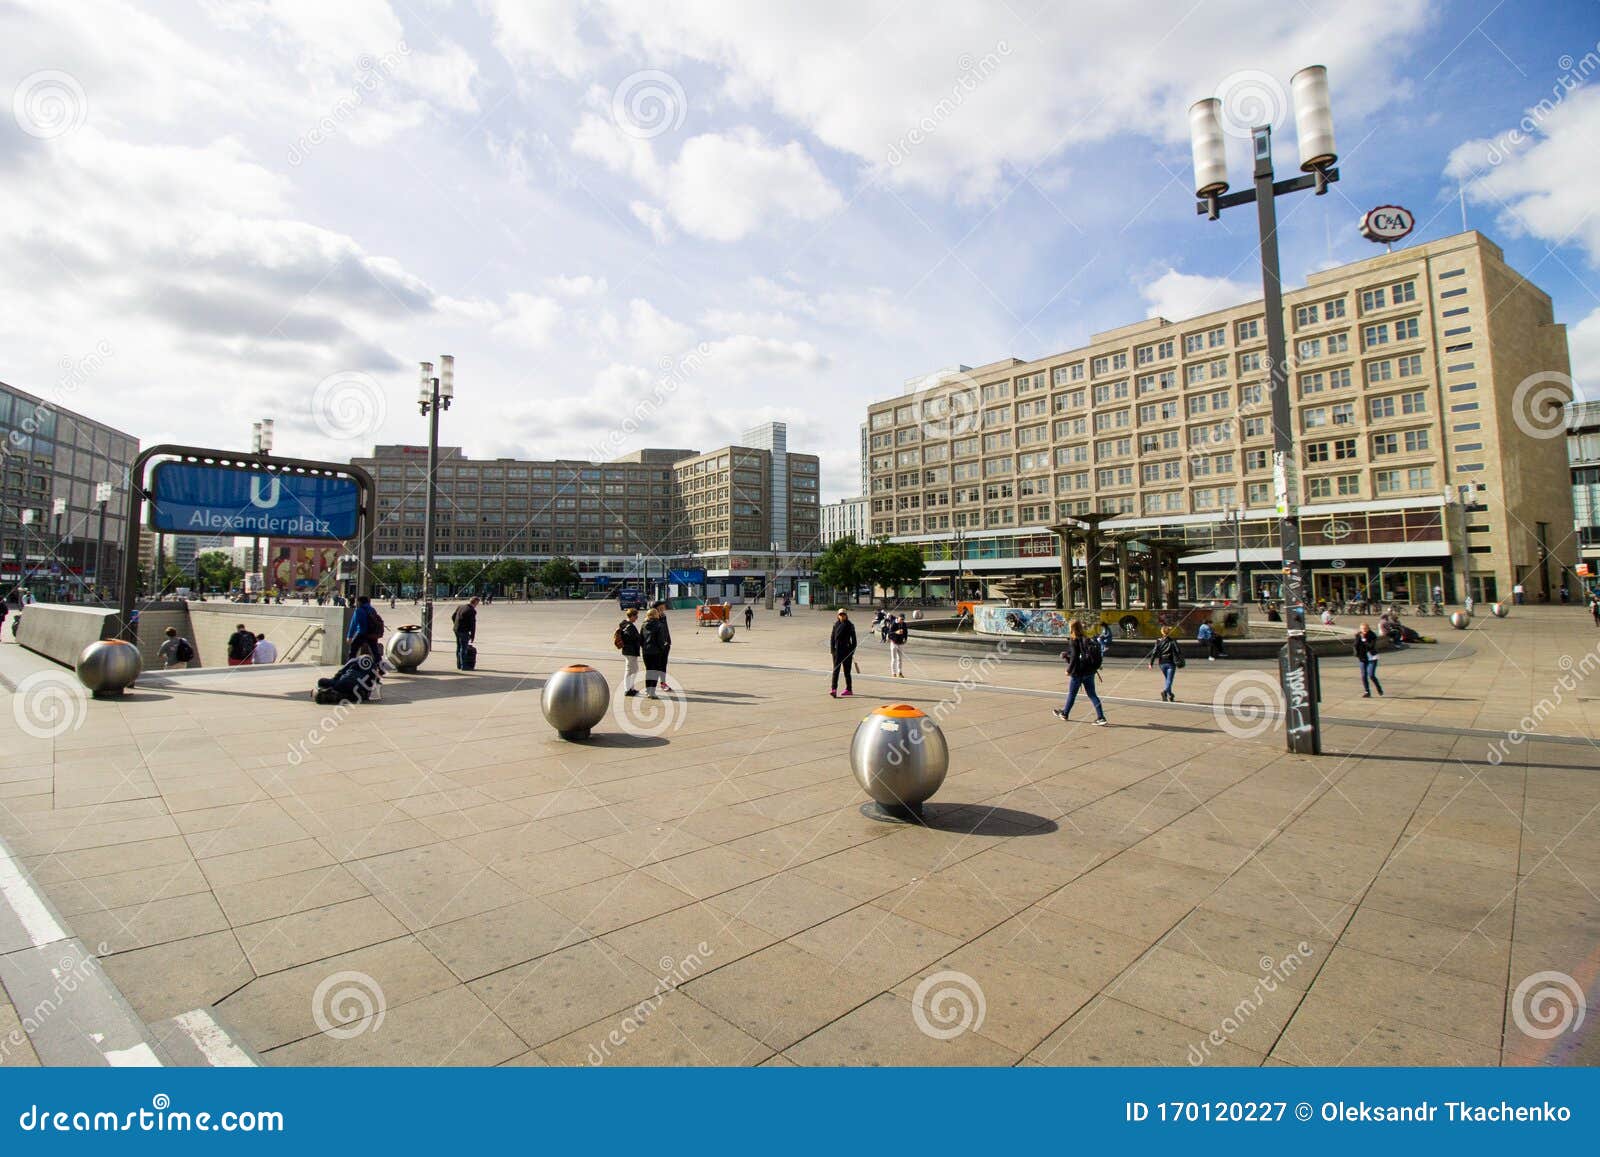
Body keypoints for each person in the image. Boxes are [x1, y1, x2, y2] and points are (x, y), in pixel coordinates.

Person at [1053, 619, 1107, 726]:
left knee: (1072, 694)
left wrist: (1068, 670)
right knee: (1092, 695)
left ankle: (1065, 714)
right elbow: (1082, 654)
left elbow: (1074, 658)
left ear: (1072, 628)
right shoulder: (1086, 638)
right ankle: (1101, 717)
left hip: (1078, 672)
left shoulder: (1074, 640)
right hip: (1089, 671)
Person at [641, 606, 670, 698]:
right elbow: (660, 640)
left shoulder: (644, 625)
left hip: (646, 652)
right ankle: (652, 692)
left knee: (648, 671)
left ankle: (647, 689)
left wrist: (644, 647)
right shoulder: (659, 625)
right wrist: (663, 647)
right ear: (656, 615)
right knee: (655, 671)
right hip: (656, 652)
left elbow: (640, 639)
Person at [1147, 625, 1182, 702]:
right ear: (1169, 632)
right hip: (1171, 662)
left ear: (1162, 632)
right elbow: (1178, 651)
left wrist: (1151, 663)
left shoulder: (1158, 641)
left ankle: (1170, 694)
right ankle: (1165, 692)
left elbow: (1154, 652)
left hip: (1162, 663)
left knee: (1167, 680)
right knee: (1169, 680)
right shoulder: (1173, 641)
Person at [347, 595, 385, 663]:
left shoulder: (358, 610)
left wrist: (349, 636)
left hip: (361, 633)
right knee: (375, 651)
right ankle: (380, 666)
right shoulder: (372, 609)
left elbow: (353, 624)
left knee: (353, 649)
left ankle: (350, 665)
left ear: (359, 602)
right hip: (372, 633)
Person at [829, 609, 857, 697]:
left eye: (843, 615)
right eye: (840, 615)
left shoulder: (850, 625)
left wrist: (851, 651)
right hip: (837, 652)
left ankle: (849, 689)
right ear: (838, 615)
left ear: (846, 615)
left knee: (847, 672)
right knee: (835, 670)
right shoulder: (836, 624)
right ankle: (834, 689)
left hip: (846, 651)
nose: (842, 616)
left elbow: (854, 641)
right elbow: (832, 638)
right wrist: (832, 650)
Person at [616, 606, 642, 696]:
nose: (637, 618)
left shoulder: (624, 624)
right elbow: (632, 638)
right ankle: (628, 689)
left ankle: (631, 688)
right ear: (631, 616)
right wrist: (639, 638)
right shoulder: (629, 626)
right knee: (630, 670)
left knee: (633, 670)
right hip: (630, 651)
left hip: (628, 651)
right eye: (636, 616)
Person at [1353, 622, 1384, 697]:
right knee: (1363, 675)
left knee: (1371, 675)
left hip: (1372, 657)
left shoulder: (1372, 635)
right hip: (1363, 657)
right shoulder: (1358, 635)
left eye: (1365, 629)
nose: (1364, 630)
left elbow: (1371, 646)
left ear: (1368, 628)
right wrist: (1356, 653)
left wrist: (1364, 639)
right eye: (1362, 629)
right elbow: (1355, 645)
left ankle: (1378, 688)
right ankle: (1367, 691)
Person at [450, 597, 479, 670]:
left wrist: (456, 624)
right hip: (464, 631)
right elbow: (473, 625)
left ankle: (459, 664)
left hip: (456, 629)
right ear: (475, 602)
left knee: (459, 647)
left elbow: (453, 616)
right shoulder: (472, 610)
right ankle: (464, 666)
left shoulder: (460, 606)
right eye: (477, 603)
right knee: (464, 648)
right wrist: (472, 636)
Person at [652, 601, 673, 691]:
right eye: (662, 606)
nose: (664, 608)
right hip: (657, 645)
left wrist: (668, 641)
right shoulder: (653, 617)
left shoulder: (664, 616)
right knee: (656, 665)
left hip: (666, 644)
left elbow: (666, 629)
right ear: (657, 608)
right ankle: (652, 685)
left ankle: (663, 683)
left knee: (663, 664)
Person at [887, 613, 908, 678]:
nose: (902, 620)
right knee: (894, 659)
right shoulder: (894, 624)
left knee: (900, 659)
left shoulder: (904, 624)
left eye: (903, 619)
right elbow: (889, 634)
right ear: (898, 618)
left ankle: (900, 672)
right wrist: (896, 632)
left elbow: (906, 632)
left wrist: (905, 639)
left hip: (900, 643)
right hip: (894, 643)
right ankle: (893, 673)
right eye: (901, 619)